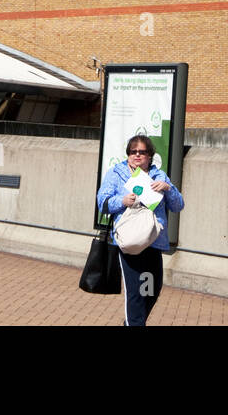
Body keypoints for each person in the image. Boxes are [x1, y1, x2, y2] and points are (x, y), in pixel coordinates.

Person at [95, 135, 185, 326]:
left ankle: (133, 323)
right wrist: (122, 201)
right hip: (130, 243)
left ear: (150, 156)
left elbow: (178, 206)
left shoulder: (159, 176)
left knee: (151, 290)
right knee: (135, 293)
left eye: (142, 152)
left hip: (154, 242)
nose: (137, 155)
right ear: (128, 155)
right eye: (133, 152)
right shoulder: (116, 174)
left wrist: (168, 189)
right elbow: (102, 202)